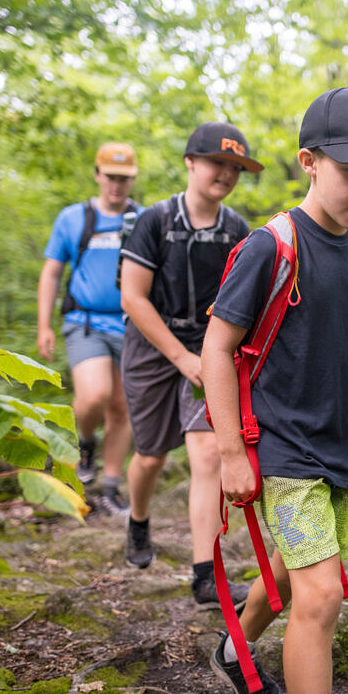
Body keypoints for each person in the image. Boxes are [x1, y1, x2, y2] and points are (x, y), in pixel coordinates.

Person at [200, 86, 348, 694]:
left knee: (295, 578)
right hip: (283, 450)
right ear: (310, 161)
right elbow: (217, 347)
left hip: (340, 451)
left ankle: (230, 650)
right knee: (321, 595)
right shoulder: (273, 246)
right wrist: (232, 453)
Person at [118, 122, 262, 609]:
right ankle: (138, 519)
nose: (226, 173)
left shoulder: (237, 230)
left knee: (208, 455)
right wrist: (178, 356)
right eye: (217, 162)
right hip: (152, 348)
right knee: (152, 456)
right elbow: (132, 298)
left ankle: (206, 575)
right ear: (190, 163)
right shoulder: (153, 222)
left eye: (235, 167)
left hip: (210, 350)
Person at [36, 142, 141, 517]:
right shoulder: (72, 218)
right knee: (95, 395)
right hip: (85, 322)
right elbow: (51, 272)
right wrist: (44, 325)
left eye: (124, 178)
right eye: (111, 177)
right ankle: (83, 443)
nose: (117, 184)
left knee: (122, 407)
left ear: (133, 179)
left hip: (132, 325)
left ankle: (110, 489)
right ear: (98, 175)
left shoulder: (143, 219)